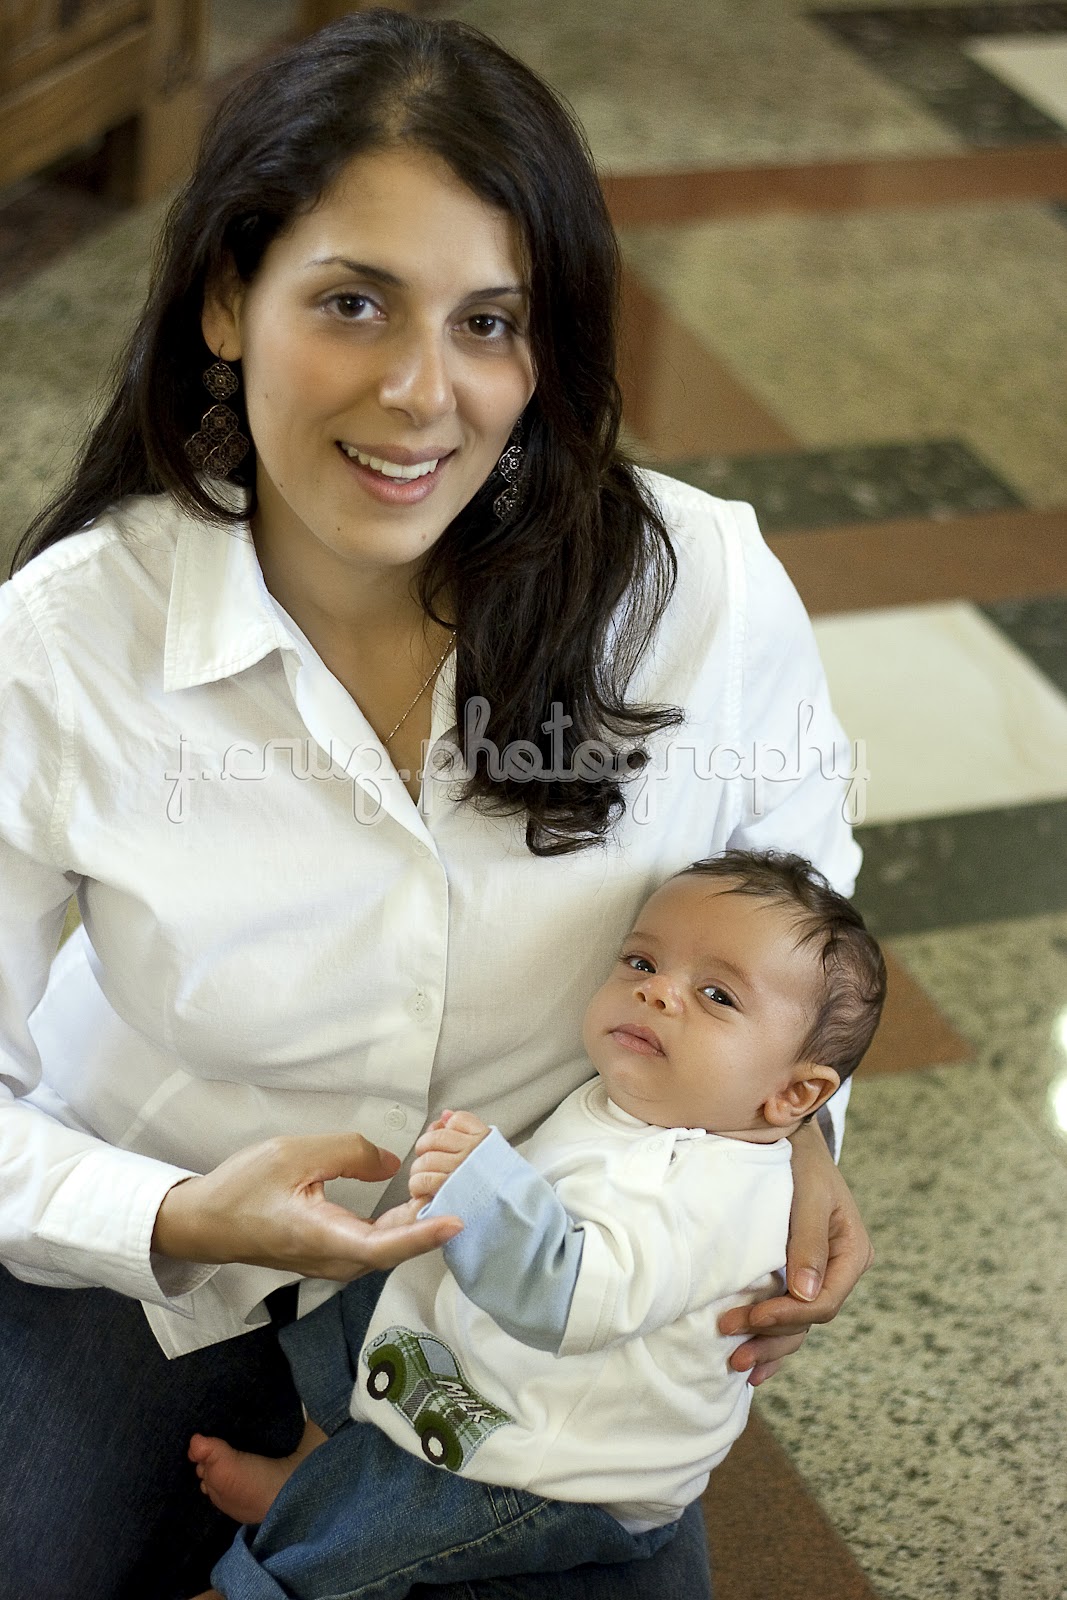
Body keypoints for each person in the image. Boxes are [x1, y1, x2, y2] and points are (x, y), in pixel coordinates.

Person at [0, 12, 874, 1600]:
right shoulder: (64, 646)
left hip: (538, 1306)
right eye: (351, 304)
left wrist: (809, 1143)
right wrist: (183, 1214)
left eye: (489, 323)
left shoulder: (701, 595)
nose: (421, 394)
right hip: (167, 1267)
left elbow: (809, 899)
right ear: (223, 299)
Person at [187, 851, 887, 1600]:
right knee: (361, 1305)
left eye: (715, 994)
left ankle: (262, 1576)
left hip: (551, 1462)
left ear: (792, 1094)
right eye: (641, 961)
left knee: (381, 1528)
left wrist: (482, 1189)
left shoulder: (716, 1198)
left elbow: (578, 1302)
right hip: (509, 1357)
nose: (655, 992)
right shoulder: (648, 1098)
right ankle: (307, 1470)